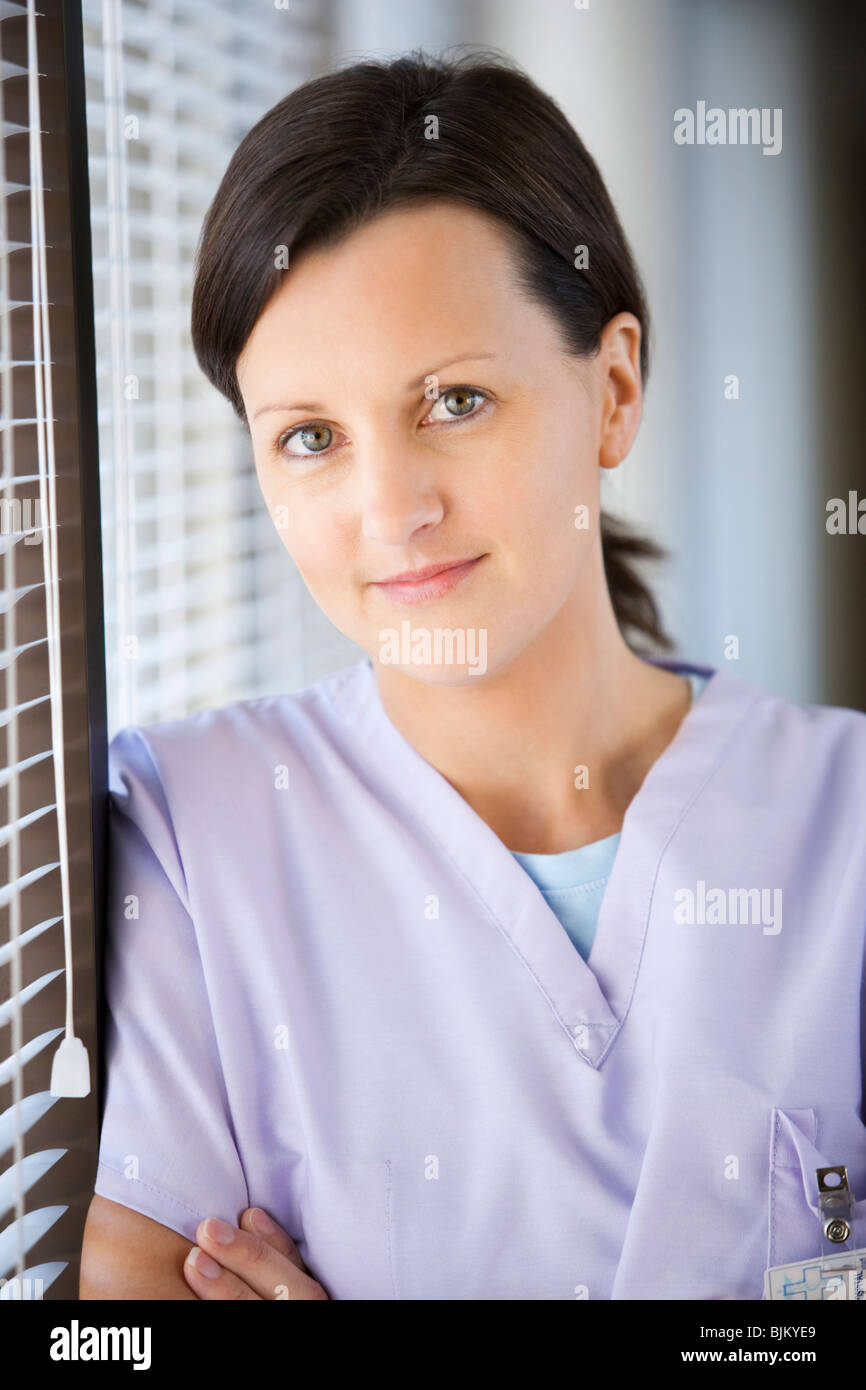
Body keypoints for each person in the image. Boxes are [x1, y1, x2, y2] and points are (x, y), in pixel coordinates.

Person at [80, 49, 866, 1301]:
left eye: (452, 401)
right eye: (309, 438)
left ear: (611, 391)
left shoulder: (844, 822)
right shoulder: (184, 838)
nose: (389, 510)